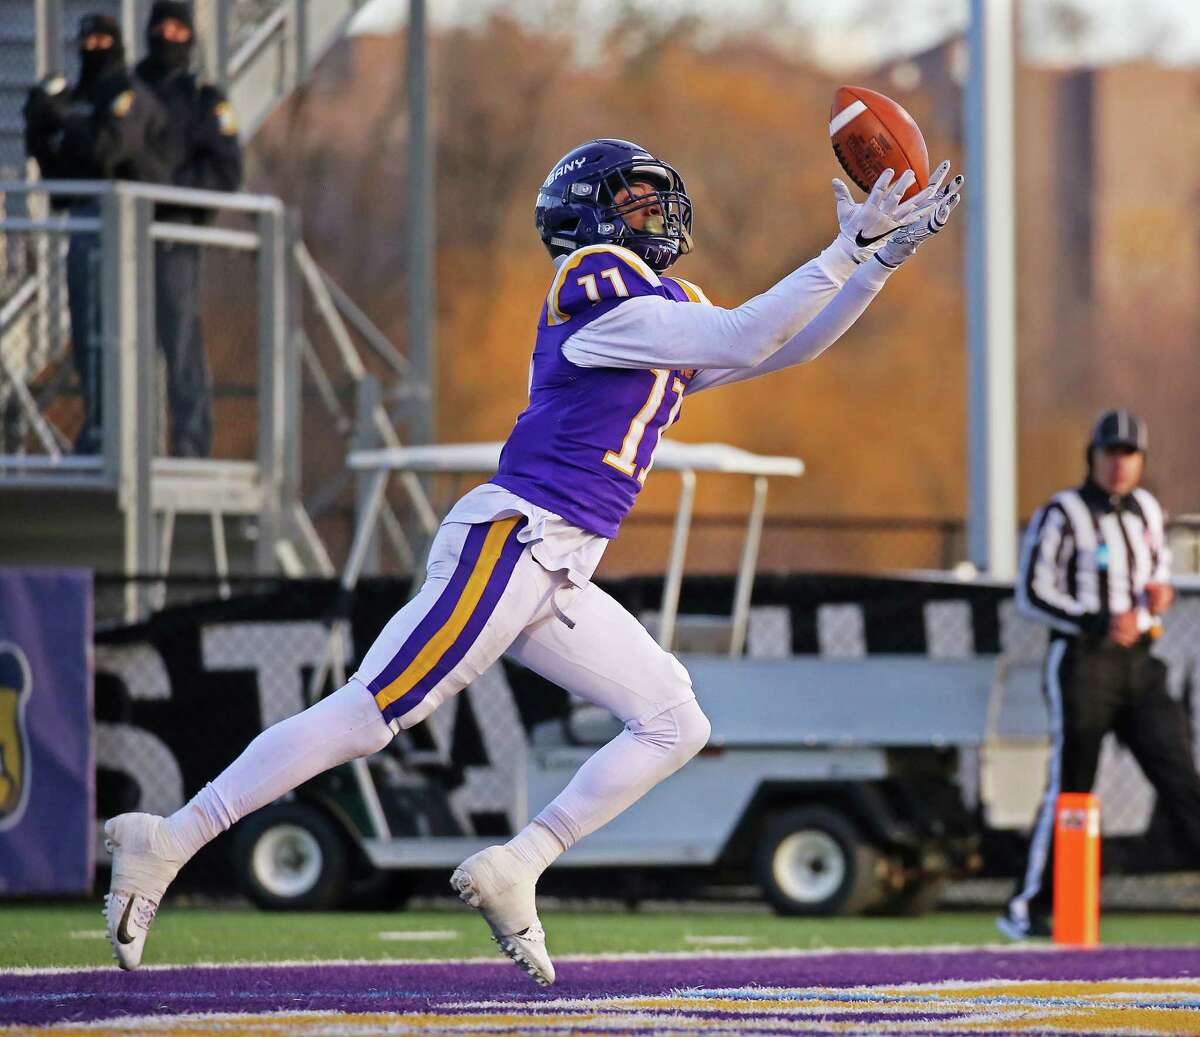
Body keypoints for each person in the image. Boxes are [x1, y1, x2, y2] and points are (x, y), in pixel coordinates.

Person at [103, 138, 963, 982]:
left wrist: (880, 262)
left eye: (650, 198)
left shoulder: (656, 310)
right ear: (587, 219)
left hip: (559, 564)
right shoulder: (592, 284)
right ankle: (171, 837)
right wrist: (843, 246)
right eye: (630, 200)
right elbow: (744, 334)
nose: (652, 213)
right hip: (511, 539)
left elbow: (783, 345)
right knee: (371, 713)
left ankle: (521, 859)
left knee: (675, 720)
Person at [998, 409, 1200, 940]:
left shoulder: (1148, 511)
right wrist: (1096, 620)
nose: (1118, 464)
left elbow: (1154, 574)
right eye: (1110, 453)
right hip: (1085, 660)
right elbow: (1033, 593)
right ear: (1094, 455)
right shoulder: (1063, 513)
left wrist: (1160, 595)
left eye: (1128, 454)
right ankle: (1026, 905)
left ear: (1140, 461)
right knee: (1073, 785)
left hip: (1141, 664)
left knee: (1180, 775)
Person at [23, 13, 170, 454]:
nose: (94, 47)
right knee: (88, 336)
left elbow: (107, 151)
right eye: (88, 39)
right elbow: (62, 172)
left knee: (122, 335)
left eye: (104, 39)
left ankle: (130, 438)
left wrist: (65, 119)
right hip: (84, 226)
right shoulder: (78, 98)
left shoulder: (129, 96)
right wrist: (41, 126)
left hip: (125, 232)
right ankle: (100, 431)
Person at [132, 1, 243, 457]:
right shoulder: (127, 87)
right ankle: (121, 440)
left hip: (175, 238)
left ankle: (191, 443)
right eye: (161, 27)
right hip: (122, 235)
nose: (168, 36)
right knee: (116, 344)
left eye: (179, 28)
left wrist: (172, 197)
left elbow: (226, 169)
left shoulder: (202, 98)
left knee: (180, 341)